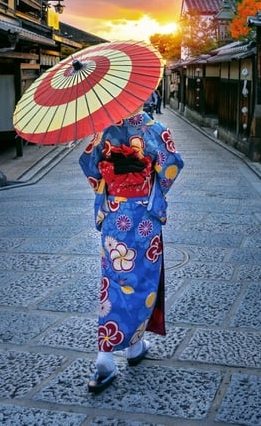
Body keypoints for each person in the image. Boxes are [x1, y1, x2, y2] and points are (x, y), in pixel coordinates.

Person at [78, 108, 184, 393]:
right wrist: (149, 188)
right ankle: (116, 351)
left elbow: (89, 165)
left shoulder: (102, 131)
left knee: (114, 282)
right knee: (142, 281)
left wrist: (112, 188)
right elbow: (172, 165)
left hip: (114, 214)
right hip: (143, 217)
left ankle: (122, 349)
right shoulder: (155, 128)